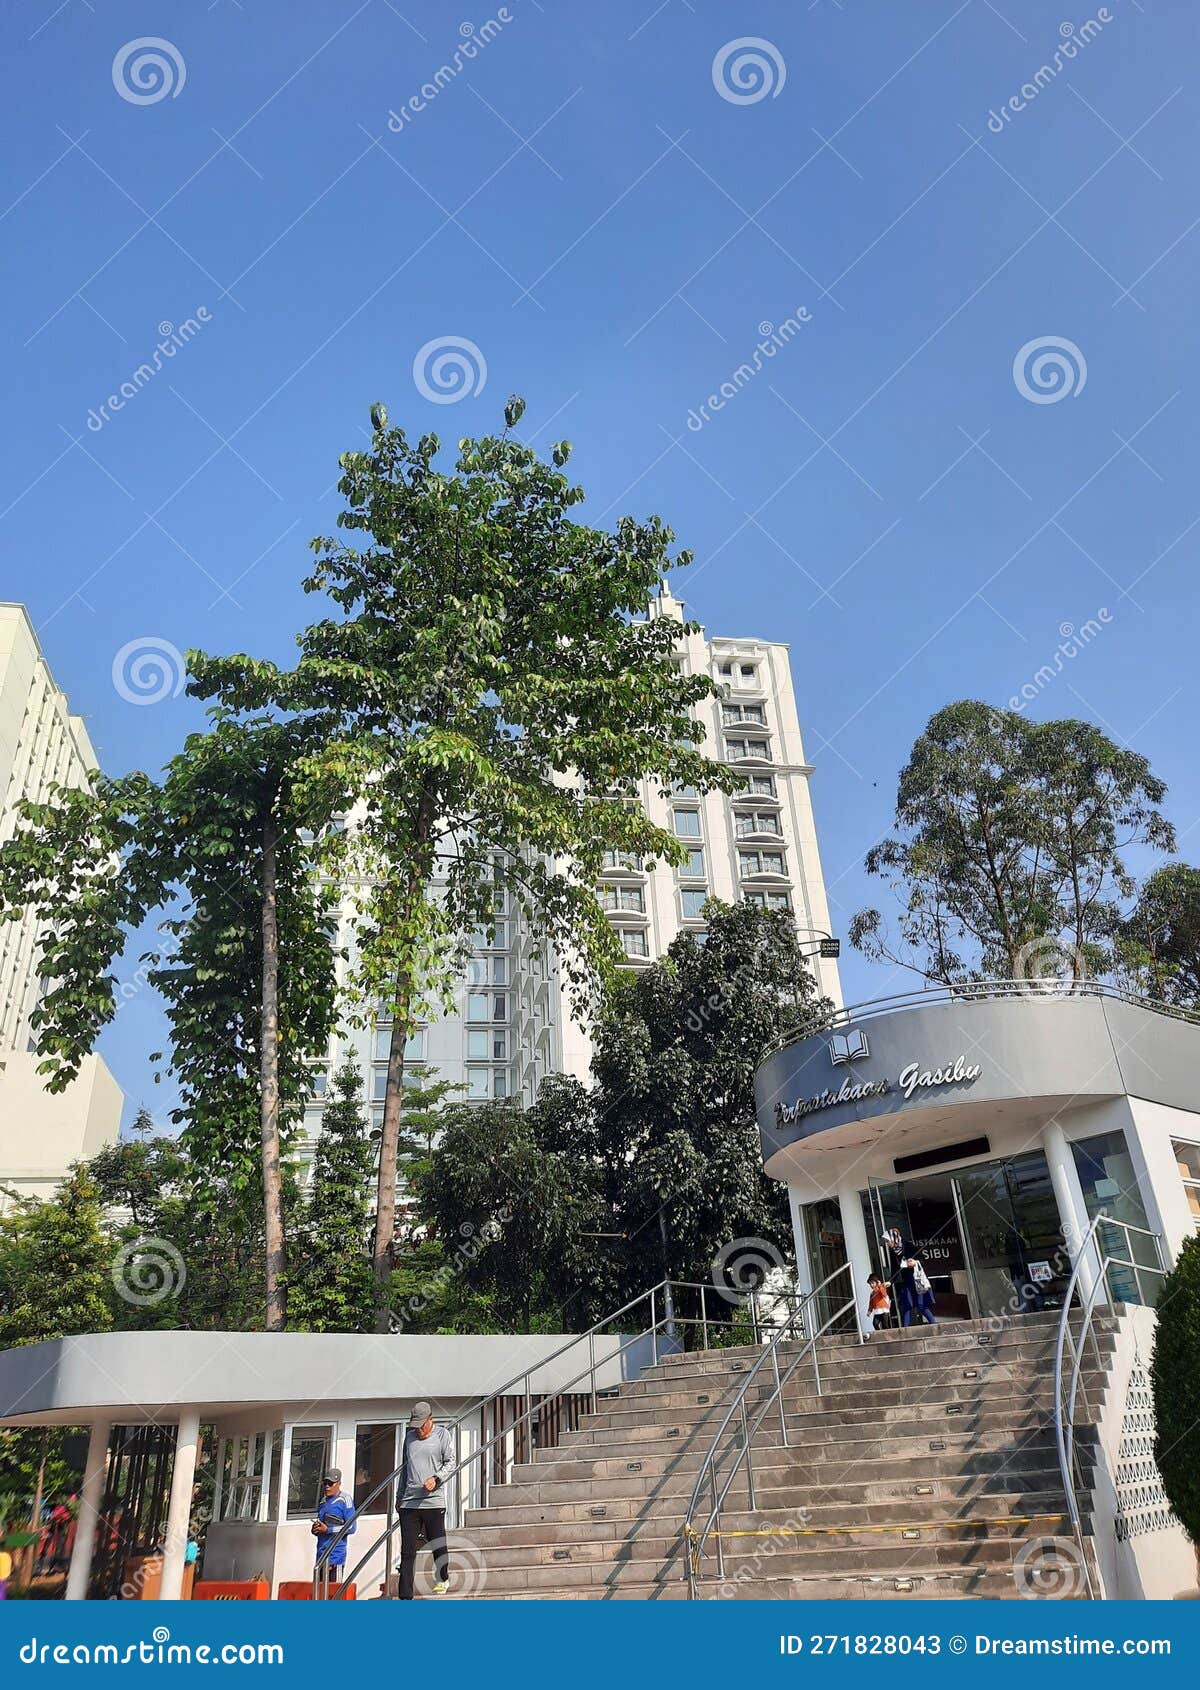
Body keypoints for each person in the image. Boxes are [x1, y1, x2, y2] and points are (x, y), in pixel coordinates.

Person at [395, 1400, 456, 1600]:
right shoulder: (409, 1438)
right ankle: (405, 1596)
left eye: (422, 1425)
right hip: (409, 1503)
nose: (418, 1430)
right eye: (415, 1426)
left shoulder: (442, 1435)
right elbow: (405, 1470)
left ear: (431, 1420)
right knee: (407, 1551)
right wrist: (399, 1497)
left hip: (433, 1501)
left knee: (437, 1543)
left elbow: (451, 1462)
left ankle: (442, 1578)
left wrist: (436, 1478)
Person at [311, 1469, 356, 1588]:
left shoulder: (345, 1500)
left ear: (338, 1483)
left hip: (336, 1558)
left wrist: (328, 1530)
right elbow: (322, 1524)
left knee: (334, 1594)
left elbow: (351, 1527)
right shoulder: (323, 1501)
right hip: (320, 1557)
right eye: (325, 1483)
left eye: (330, 1484)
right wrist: (316, 1529)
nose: (327, 1487)